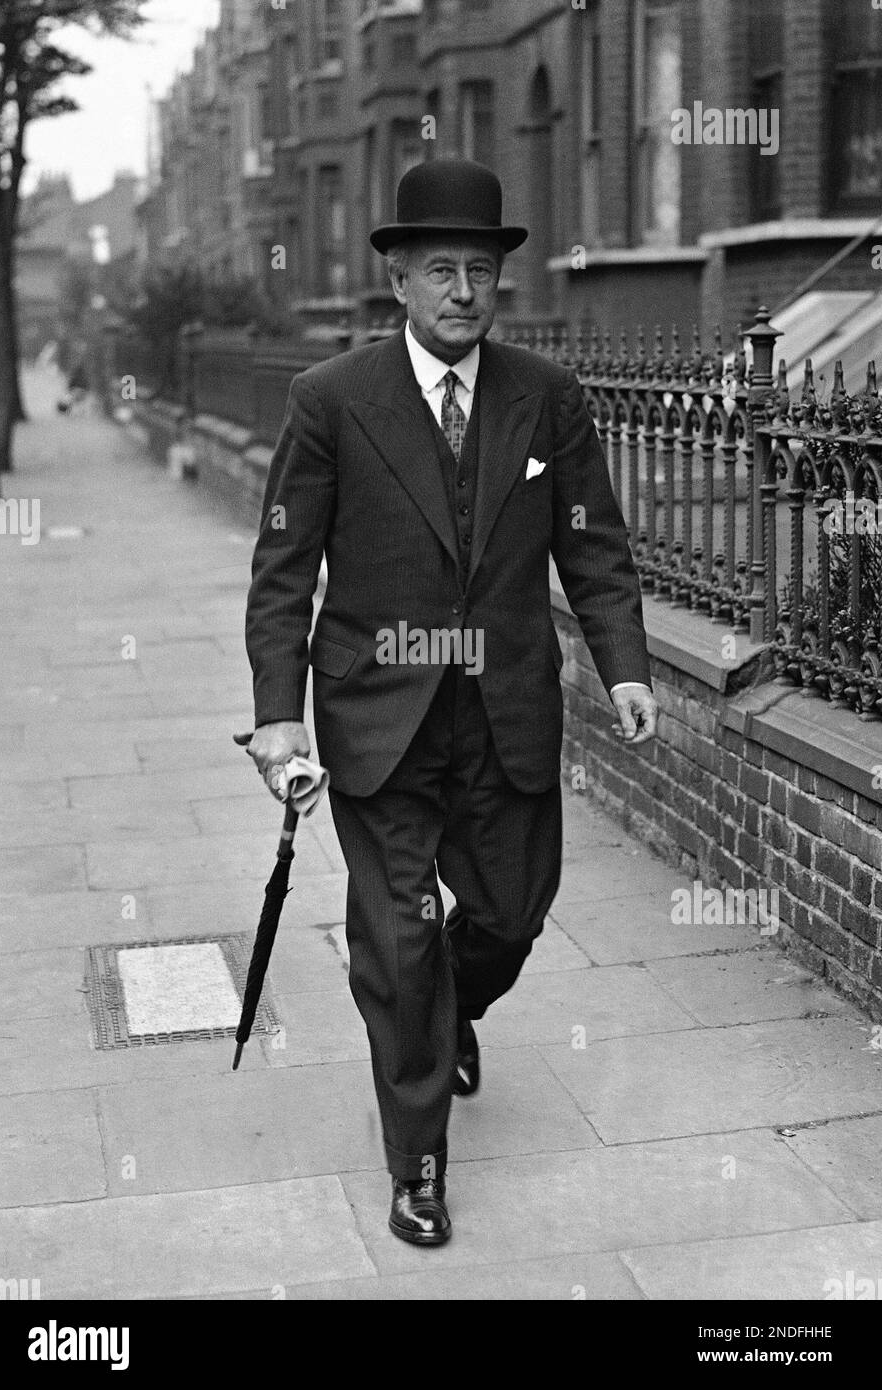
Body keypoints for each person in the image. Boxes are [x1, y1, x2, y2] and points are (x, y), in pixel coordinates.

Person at [245, 158, 657, 1246]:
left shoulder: (547, 397)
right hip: (377, 718)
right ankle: (418, 1162)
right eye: (441, 269)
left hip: (506, 711)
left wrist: (623, 665)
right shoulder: (329, 401)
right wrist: (278, 714)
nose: (464, 289)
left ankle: (453, 1007)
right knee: (398, 939)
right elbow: (283, 571)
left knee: (512, 913)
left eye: (481, 268)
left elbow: (592, 546)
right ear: (399, 281)